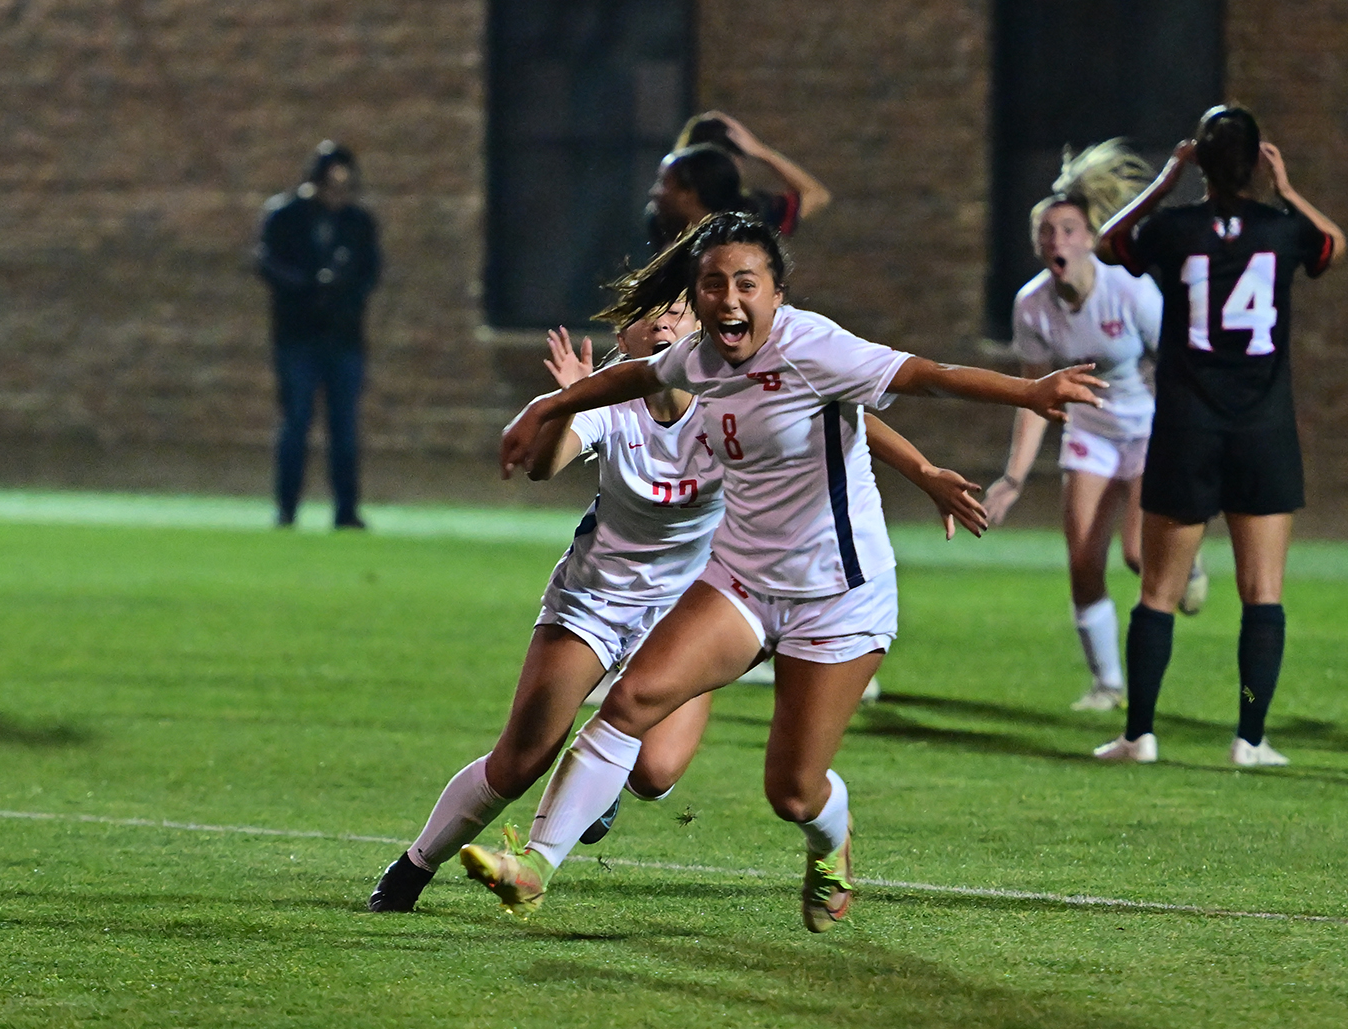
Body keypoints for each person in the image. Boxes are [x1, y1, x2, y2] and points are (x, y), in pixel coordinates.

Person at [460, 212, 1103, 931]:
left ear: (776, 292)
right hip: (741, 583)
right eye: (712, 285)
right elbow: (637, 374)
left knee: (793, 792)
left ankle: (833, 841)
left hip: (837, 596)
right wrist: (545, 407)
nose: (728, 299)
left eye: (745, 284)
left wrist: (1028, 394)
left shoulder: (815, 346)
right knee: (632, 700)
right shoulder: (702, 356)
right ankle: (537, 868)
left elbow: (926, 375)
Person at [366, 294, 985, 914]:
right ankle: (412, 869)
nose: (662, 322)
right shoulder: (610, 398)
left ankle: (592, 789)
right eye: (646, 314)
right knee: (518, 761)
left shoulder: (733, 396)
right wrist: (566, 402)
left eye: (677, 310)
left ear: (697, 331)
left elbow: (839, 414)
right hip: (593, 601)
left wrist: (925, 471)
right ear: (624, 336)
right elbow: (543, 467)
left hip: (694, 609)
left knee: (656, 773)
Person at [1091, 106, 1346, 766]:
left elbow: (1107, 243)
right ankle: (1250, 741)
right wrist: (1286, 190)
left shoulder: (1173, 229)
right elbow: (1334, 245)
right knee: (1262, 591)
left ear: (1200, 162)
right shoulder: (1283, 229)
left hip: (1186, 426)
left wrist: (1167, 180)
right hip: (1262, 429)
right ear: (1259, 160)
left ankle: (1139, 734)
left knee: (1158, 593)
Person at [983, 139, 1208, 712]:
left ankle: (1190, 557)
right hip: (1090, 432)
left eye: (1068, 230)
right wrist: (1011, 479)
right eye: (1046, 232)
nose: (1056, 241)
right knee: (1083, 562)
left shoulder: (1130, 290)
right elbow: (1035, 397)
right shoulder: (1031, 306)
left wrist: (1191, 439)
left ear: (1090, 238)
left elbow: (1178, 364)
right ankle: (1108, 683)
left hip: (1150, 427)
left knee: (1137, 555)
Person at [257, 141, 382, 529]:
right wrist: (308, 287)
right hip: (298, 336)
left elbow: (370, 273)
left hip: (343, 338)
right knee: (295, 422)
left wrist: (343, 295)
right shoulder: (285, 216)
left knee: (344, 427)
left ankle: (346, 509)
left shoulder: (358, 222)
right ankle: (287, 507)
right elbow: (267, 263)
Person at [674, 111, 832, 237]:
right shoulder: (752, 213)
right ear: (735, 163)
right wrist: (761, 151)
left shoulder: (669, 207)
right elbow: (817, 195)